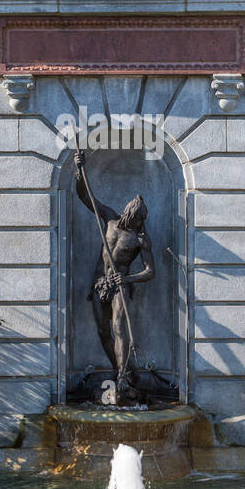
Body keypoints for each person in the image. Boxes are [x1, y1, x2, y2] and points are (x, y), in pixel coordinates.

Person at [73, 149, 154, 402]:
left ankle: (121, 377)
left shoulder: (141, 239)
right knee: (102, 330)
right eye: (139, 218)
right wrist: (79, 170)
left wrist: (127, 279)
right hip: (100, 283)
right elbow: (86, 196)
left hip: (121, 285)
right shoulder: (109, 219)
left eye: (143, 220)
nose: (141, 223)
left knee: (119, 327)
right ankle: (123, 369)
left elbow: (150, 271)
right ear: (130, 214)